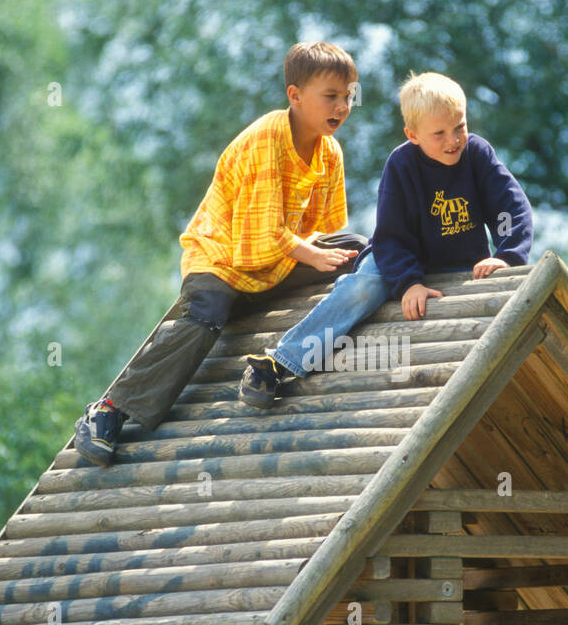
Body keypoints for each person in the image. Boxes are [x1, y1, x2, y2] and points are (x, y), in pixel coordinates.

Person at [74, 41, 365, 466]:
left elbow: (322, 229)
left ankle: (280, 362)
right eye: (331, 96)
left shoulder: (330, 152)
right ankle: (108, 411)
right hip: (224, 260)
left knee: (359, 251)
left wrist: (321, 254)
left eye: (348, 96)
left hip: (275, 261)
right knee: (206, 315)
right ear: (295, 95)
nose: (342, 106)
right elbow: (257, 234)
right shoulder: (268, 137)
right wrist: (311, 255)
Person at [238, 71, 533, 407]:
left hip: (459, 260)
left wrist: (507, 256)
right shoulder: (401, 165)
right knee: (364, 288)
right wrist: (408, 283)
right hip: (397, 256)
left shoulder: (477, 153)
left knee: (500, 293)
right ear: (413, 135)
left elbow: (511, 206)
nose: (453, 140)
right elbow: (391, 235)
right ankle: (279, 363)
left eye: (459, 127)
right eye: (439, 134)